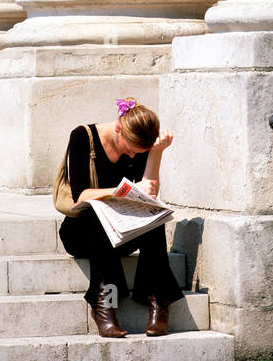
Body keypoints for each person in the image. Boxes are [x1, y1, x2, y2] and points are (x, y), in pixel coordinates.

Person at [56, 98, 182, 338]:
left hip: (120, 231)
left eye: (139, 151)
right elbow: (80, 195)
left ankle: (158, 300)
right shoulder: (83, 137)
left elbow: (150, 191)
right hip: (83, 232)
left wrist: (155, 153)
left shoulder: (140, 144)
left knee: (153, 217)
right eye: (131, 148)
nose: (133, 154)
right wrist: (118, 191)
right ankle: (106, 304)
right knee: (97, 212)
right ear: (118, 128)